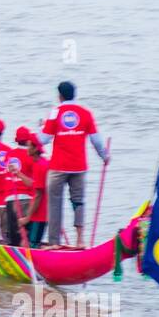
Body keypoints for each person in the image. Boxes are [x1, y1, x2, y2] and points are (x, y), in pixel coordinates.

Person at [40, 81, 108, 247]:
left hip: (58, 166)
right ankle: (80, 240)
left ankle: (55, 242)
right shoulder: (85, 113)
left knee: (55, 202)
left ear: (60, 96)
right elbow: (96, 140)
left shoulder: (56, 112)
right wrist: (104, 156)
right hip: (79, 166)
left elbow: (44, 139)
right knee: (78, 201)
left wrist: (40, 127)